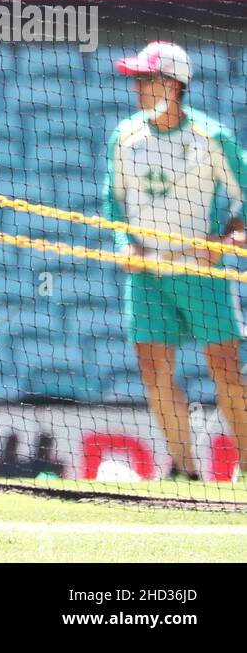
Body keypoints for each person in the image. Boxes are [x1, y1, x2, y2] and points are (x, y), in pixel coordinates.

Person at [103, 41, 247, 481]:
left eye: (145, 80)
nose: (137, 89)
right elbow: (114, 203)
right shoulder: (125, 136)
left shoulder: (212, 136)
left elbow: (244, 203)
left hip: (201, 271)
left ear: (173, 84)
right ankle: (183, 469)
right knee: (153, 369)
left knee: (224, 366)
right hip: (148, 273)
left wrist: (228, 239)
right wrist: (123, 243)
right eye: (137, 81)